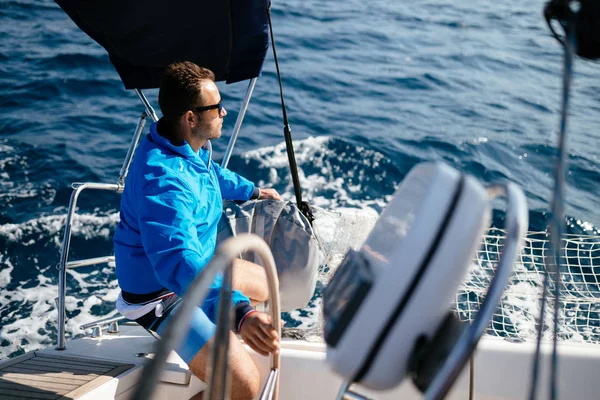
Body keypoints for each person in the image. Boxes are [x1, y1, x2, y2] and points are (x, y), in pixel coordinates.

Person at [113, 61, 281, 400]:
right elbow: (179, 261)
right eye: (216, 107)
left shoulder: (189, 147)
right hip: (162, 296)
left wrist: (252, 191)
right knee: (245, 384)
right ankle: (220, 334)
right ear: (190, 117)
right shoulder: (162, 182)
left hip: (200, 268)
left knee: (268, 284)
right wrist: (239, 313)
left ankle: (218, 332)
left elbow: (211, 175)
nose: (224, 112)